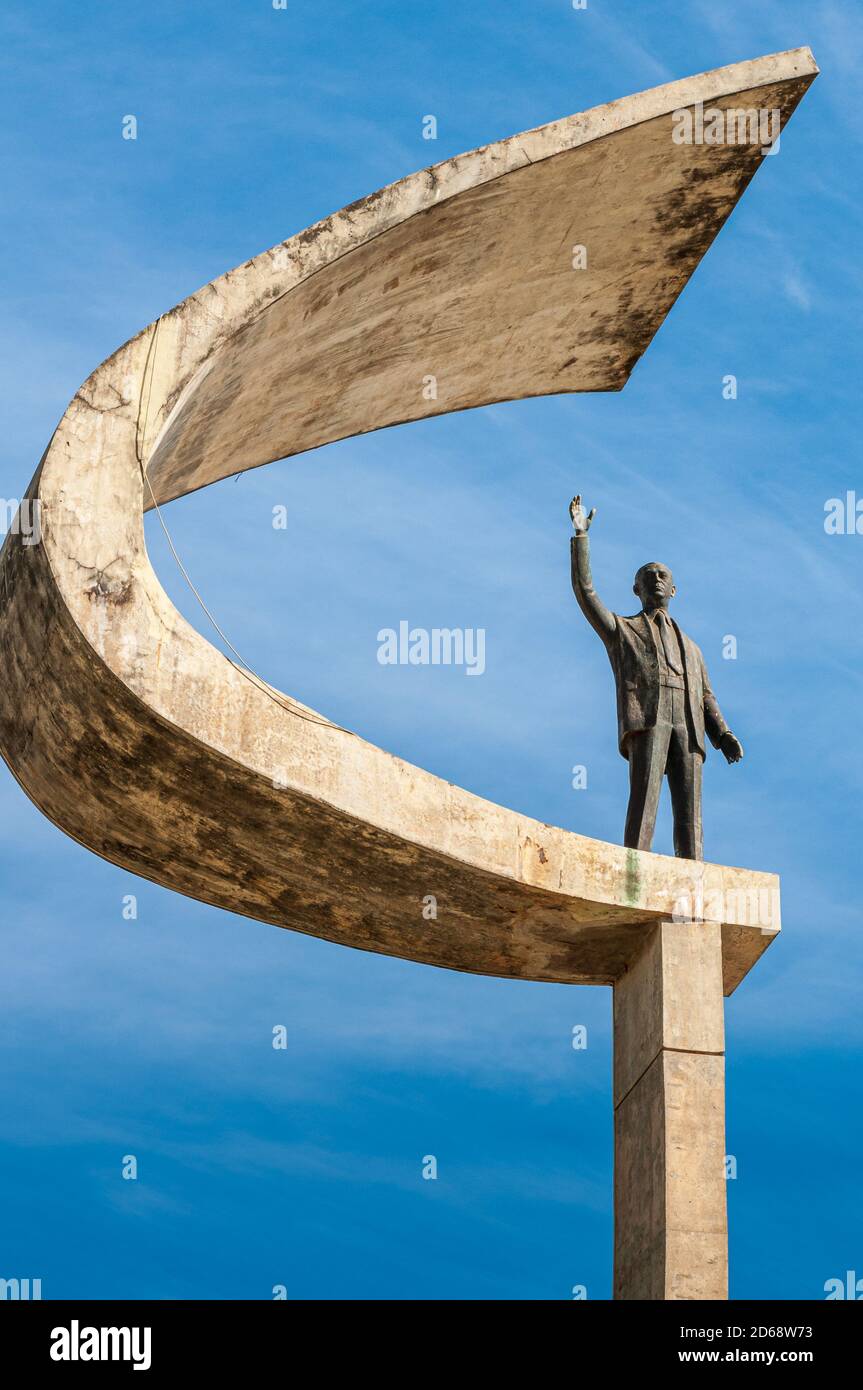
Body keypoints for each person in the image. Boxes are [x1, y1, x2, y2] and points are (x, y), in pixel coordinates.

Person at [569, 495, 743, 860]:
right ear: (637, 589)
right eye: (648, 577)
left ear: (674, 589)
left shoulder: (693, 649)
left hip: (690, 725)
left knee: (690, 810)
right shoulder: (623, 630)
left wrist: (722, 733)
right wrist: (581, 538)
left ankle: (693, 872)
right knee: (644, 796)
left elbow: (707, 696)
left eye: (663, 576)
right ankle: (634, 865)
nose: (656, 580)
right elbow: (586, 594)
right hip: (650, 719)